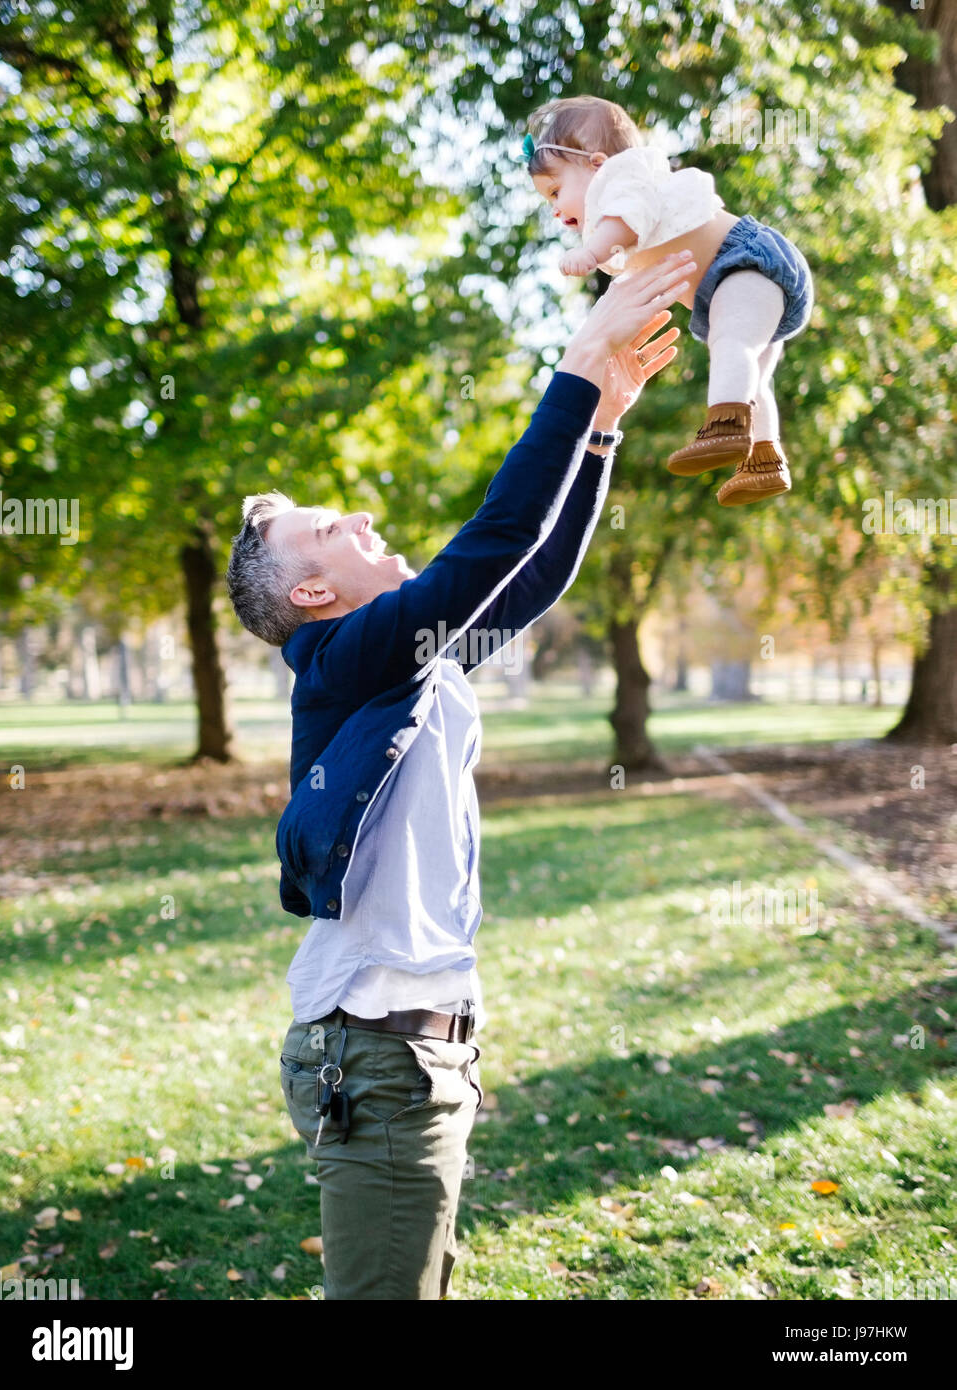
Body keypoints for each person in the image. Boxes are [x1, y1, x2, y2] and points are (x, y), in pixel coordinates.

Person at [224, 251, 692, 1299]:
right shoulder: (341, 661)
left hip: (418, 1062)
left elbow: (524, 577)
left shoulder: (411, 658)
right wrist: (576, 361)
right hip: (379, 1066)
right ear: (310, 587)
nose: (354, 516)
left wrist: (604, 421)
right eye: (324, 529)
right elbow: (491, 542)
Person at [522, 94, 814, 507]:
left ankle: (725, 425)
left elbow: (625, 218)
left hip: (747, 262)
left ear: (597, 164)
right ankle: (764, 460)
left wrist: (590, 254)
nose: (554, 208)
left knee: (731, 347)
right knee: (751, 372)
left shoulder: (624, 182)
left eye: (555, 190)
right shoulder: (617, 219)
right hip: (739, 285)